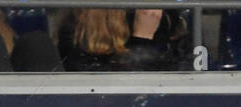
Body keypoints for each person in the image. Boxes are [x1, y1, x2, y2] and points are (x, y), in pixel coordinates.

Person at [56, 7, 190, 71]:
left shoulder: (168, 17)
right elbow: (108, 90)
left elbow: (185, 70)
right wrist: (142, 39)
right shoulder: (79, 27)